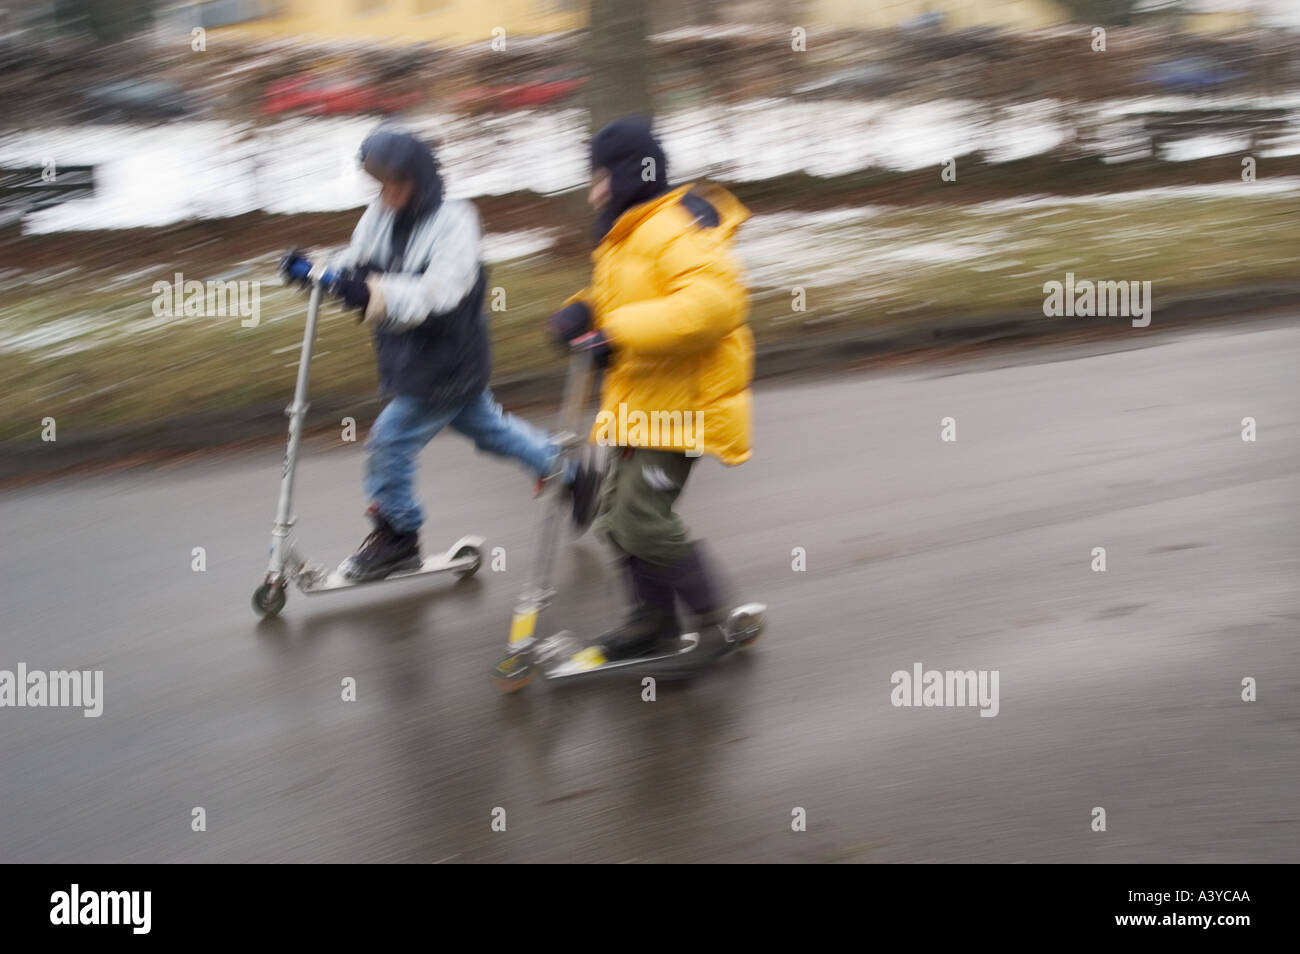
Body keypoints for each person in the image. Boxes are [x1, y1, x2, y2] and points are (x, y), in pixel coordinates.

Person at [281, 128, 597, 582]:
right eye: (382, 185)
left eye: (397, 184)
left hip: (445, 361)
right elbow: (357, 262)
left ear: (421, 180)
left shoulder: (456, 222)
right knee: (491, 431)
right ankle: (570, 475)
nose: (388, 195)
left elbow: (435, 295)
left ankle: (398, 535)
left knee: (390, 440)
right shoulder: (380, 215)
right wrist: (317, 272)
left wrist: (368, 291)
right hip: (412, 359)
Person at [547, 116, 754, 659]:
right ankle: (651, 622)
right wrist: (581, 314)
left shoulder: (676, 226)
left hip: (683, 408)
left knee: (641, 518)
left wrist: (615, 333)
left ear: (629, 175)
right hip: (640, 404)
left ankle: (713, 620)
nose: (592, 192)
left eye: (599, 178)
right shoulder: (627, 234)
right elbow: (625, 300)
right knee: (614, 520)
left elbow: (714, 305)